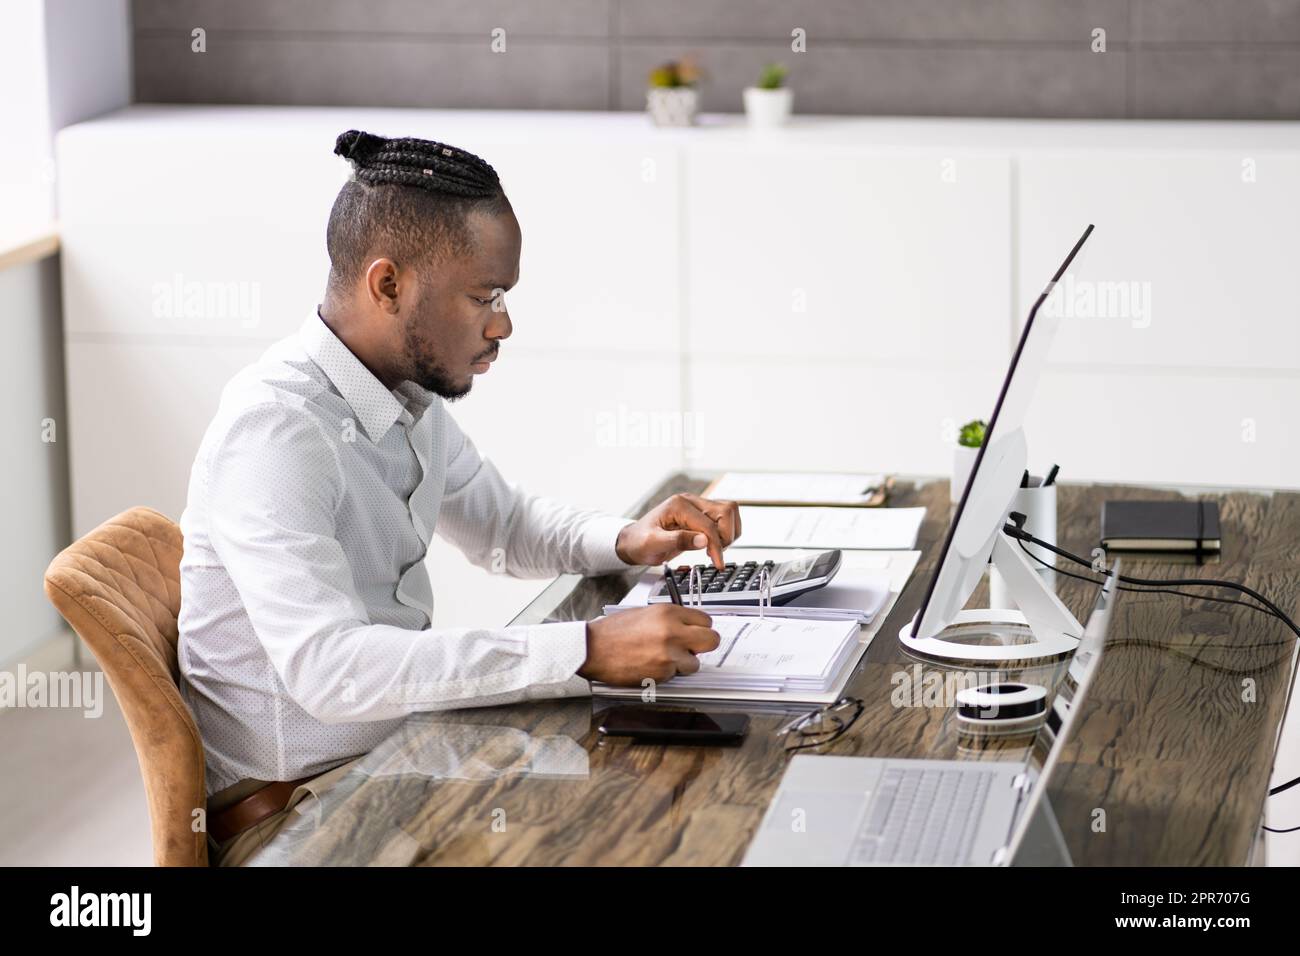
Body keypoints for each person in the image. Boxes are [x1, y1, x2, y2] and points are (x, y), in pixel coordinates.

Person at [178, 130, 740, 864]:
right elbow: (332, 672)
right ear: (388, 286)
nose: (502, 324)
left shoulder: (403, 395)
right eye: (484, 296)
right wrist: (587, 647)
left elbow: (502, 525)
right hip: (304, 817)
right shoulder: (277, 431)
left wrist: (627, 538)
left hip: (396, 758)